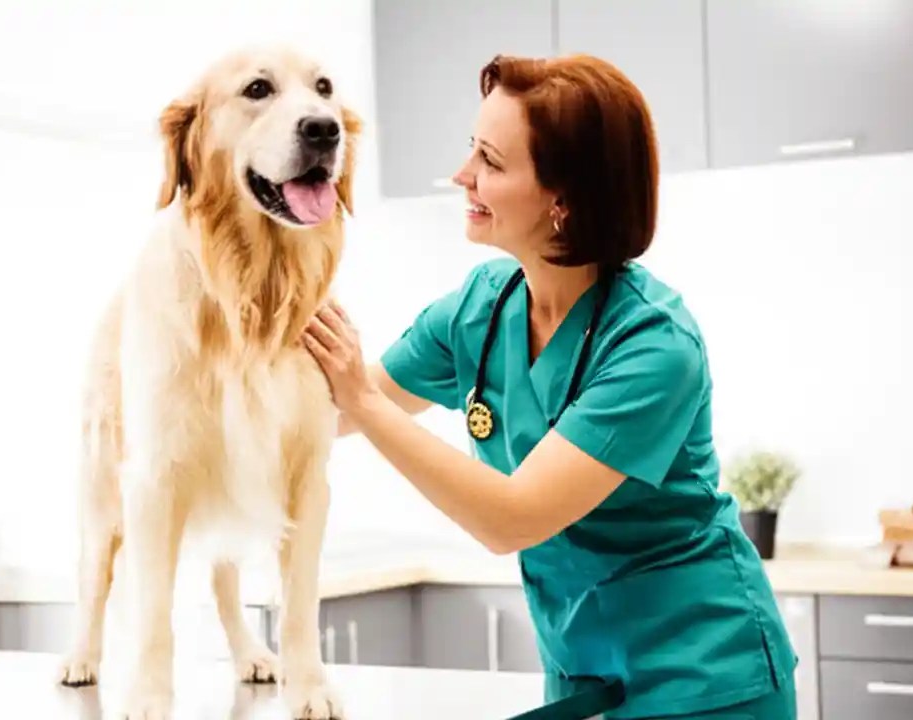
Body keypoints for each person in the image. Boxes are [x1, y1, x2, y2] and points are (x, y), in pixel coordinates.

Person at [303, 54, 797, 719]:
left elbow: (511, 518)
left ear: (563, 201)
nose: (462, 175)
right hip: (583, 670)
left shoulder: (654, 347)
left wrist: (360, 398)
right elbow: (336, 408)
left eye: (491, 161)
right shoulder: (481, 307)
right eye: (470, 149)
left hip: (703, 675)